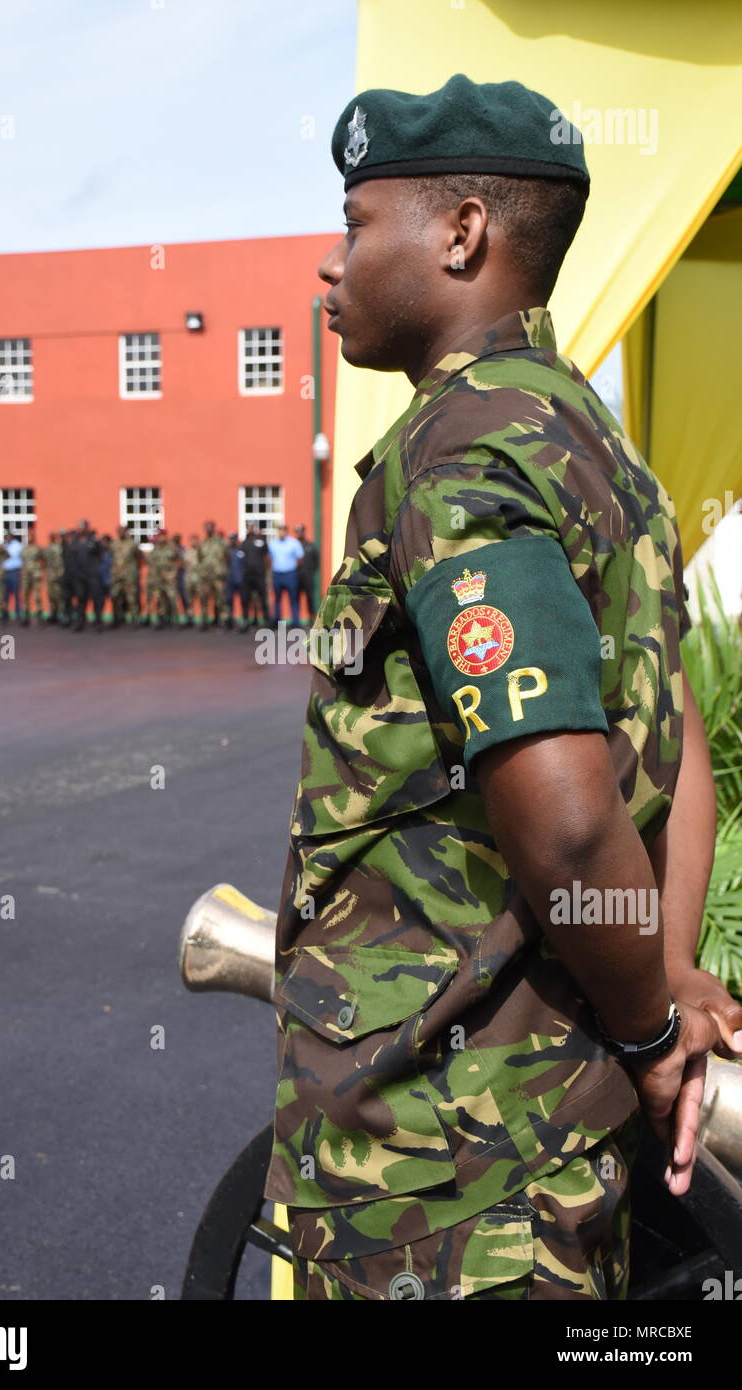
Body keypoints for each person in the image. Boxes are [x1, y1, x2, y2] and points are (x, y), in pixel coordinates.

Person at [262, 74, 742, 1303]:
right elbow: (672, 734)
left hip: (441, 1185)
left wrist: (646, 1032)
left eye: (357, 224)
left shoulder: (460, 445)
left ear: (462, 232)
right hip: (540, 1158)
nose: (330, 264)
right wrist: (669, 971)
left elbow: (571, 815)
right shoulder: (593, 443)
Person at [196, 520, 229, 628]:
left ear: (213, 529)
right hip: (205, 576)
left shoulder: (221, 543)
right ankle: (205, 620)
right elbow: (199, 558)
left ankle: (223, 620)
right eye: (207, 528)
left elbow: (228, 557)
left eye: (210, 528)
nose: (209, 530)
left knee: (220, 598)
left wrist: (223, 569)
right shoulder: (203, 543)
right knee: (204, 598)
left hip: (218, 575)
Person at [268, 523, 303, 624]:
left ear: (286, 531)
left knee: (293, 598)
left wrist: (293, 568)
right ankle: (277, 620)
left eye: (283, 530)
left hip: (290, 574)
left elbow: (300, 558)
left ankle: (295, 621)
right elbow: (269, 557)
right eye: (279, 530)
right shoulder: (273, 543)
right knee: (277, 599)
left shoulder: (294, 543)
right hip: (277, 574)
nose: (281, 532)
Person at [239, 523, 270, 629]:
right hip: (248, 575)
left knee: (263, 598)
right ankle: (245, 622)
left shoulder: (261, 541)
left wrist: (266, 571)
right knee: (245, 599)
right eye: (248, 527)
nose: (250, 529)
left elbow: (267, 557)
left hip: (259, 575)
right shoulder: (244, 542)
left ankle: (267, 622)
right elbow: (241, 558)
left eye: (252, 527)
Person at [110, 526, 141, 626]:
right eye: (119, 531)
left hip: (129, 575)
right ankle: (117, 618)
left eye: (123, 531)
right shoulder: (114, 543)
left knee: (131, 597)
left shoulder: (132, 544)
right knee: (115, 595)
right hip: (116, 575)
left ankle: (135, 619)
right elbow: (111, 557)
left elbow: (139, 557)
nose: (121, 533)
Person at [20, 528, 44, 626]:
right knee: (25, 596)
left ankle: (40, 616)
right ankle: (26, 616)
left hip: (36, 574)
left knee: (37, 595)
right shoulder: (23, 549)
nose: (29, 537)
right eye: (28, 536)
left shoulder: (38, 548)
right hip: (26, 575)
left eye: (31, 535)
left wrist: (40, 571)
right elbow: (22, 560)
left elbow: (43, 560)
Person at [294, 524, 318, 622]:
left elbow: (316, 561)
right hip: (296, 575)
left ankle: (311, 618)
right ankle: (296, 620)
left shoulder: (310, 545)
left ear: (303, 532)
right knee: (296, 598)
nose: (300, 533)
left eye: (301, 531)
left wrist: (311, 571)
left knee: (310, 597)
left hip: (308, 575)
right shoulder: (293, 546)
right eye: (298, 531)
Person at [44, 532, 65, 624]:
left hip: (57, 576)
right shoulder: (48, 548)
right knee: (51, 596)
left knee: (59, 596)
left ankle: (63, 615)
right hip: (50, 576)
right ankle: (54, 614)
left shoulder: (58, 548)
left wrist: (60, 575)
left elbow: (60, 563)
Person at [224, 532, 244, 629]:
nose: (232, 540)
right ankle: (229, 620)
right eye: (231, 538)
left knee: (243, 600)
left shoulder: (241, 550)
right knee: (228, 600)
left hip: (240, 579)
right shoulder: (226, 551)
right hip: (229, 579)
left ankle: (244, 620)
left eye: (234, 538)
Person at [2, 531, 23, 619]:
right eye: (6, 536)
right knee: (4, 594)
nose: (7, 538)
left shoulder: (18, 545)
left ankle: (18, 613)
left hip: (15, 572)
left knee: (16, 593)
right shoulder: (3, 545)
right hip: (5, 572)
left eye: (9, 536)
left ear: (12, 537)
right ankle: (5, 613)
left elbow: (18, 557)